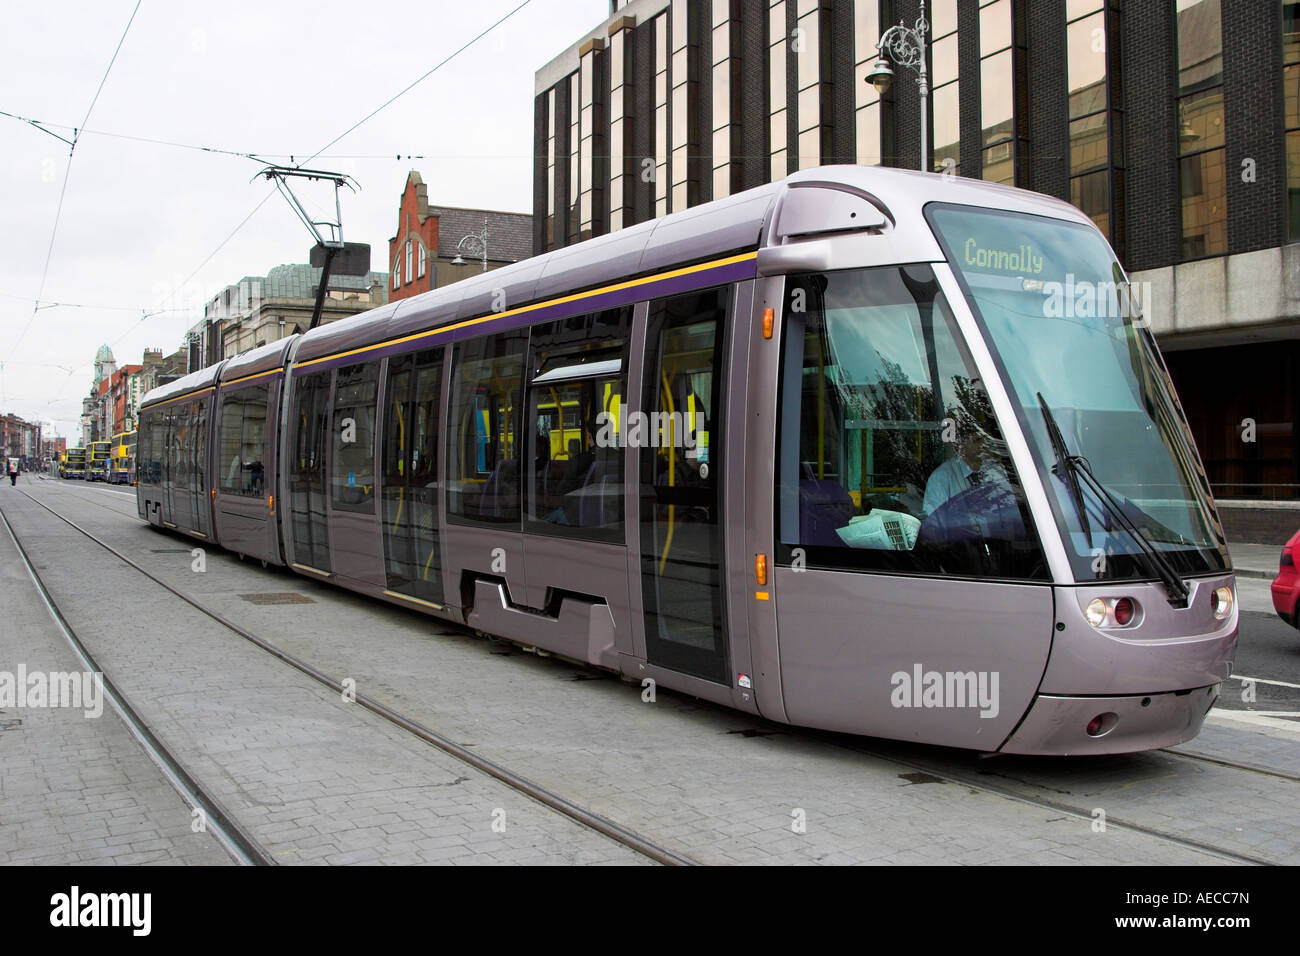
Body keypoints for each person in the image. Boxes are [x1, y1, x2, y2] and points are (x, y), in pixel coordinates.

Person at [922, 430, 1007, 517]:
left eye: (985, 440)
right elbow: (935, 522)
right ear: (961, 445)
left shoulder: (995, 470)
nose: (983, 445)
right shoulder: (941, 477)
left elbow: (1008, 507)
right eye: (977, 441)